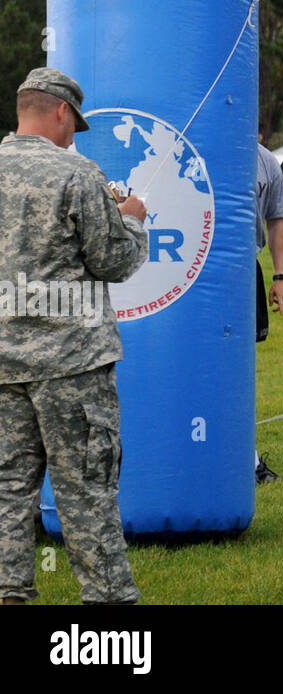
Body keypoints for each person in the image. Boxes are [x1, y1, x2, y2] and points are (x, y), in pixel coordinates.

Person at [0, 68, 149, 606]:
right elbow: (114, 261)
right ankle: (108, 611)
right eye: (73, 124)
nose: (73, 135)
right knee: (86, 490)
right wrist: (132, 218)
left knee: (8, 489)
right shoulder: (77, 172)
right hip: (71, 363)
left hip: (3, 364)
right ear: (61, 112)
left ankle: (10, 593)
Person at [255, 131, 283, 344]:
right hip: (202, 268)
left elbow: (277, 219)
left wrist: (280, 277)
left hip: (246, 268)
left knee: (244, 347)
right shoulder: (202, 152)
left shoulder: (266, 160)